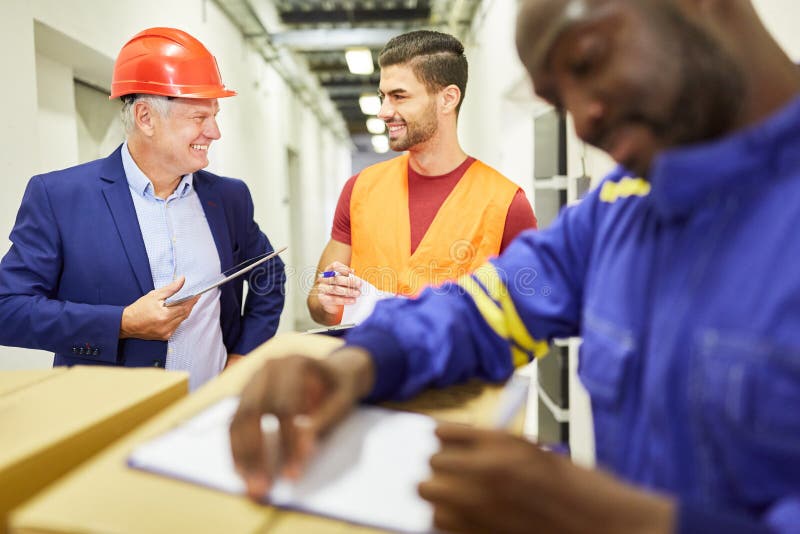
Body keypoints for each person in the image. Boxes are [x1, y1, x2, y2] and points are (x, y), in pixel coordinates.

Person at [231, 0, 800, 532]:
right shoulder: (619, 211)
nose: (582, 123)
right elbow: (487, 307)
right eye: (558, 100)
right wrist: (359, 362)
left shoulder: (510, 197)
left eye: (588, 61)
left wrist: (602, 515)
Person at [0, 27, 285, 391]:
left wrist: (244, 355)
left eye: (215, 115)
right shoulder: (59, 198)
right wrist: (122, 322)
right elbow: (7, 309)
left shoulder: (228, 198)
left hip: (210, 414)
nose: (214, 132)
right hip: (109, 421)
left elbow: (269, 272)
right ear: (146, 117)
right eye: (199, 117)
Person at [308, 30, 537, 326]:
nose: (384, 112)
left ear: (447, 99)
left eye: (399, 97)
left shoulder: (506, 203)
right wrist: (327, 299)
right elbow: (318, 303)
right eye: (383, 97)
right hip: (370, 369)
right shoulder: (360, 190)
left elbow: (531, 316)